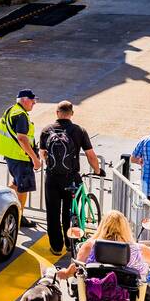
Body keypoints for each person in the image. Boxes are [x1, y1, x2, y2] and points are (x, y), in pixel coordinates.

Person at [38, 100, 101, 256]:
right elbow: (90, 155)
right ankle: (70, 244)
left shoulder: (46, 130)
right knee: (70, 212)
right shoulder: (79, 130)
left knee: (52, 213)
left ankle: (56, 247)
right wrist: (98, 170)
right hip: (72, 178)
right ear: (71, 113)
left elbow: (43, 153)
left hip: (52, 178)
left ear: (57, 113)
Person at [56, 210, 150, 280]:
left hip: (95, 298)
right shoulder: (137, 249)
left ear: (103, 226)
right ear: (126, 227)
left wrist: (65, 273)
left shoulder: (90, 246)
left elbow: (77, 266)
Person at [0, 89, 42, 226]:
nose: (34, 103)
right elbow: (22, 138)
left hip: (11, 155)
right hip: (20, 157)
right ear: (24, 100)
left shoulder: (12, 110)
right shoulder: (21, 115)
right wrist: (35, 159)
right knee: (23, 188)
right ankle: (19, 217)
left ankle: (4, 206)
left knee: (15, 185)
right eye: (32, 100)